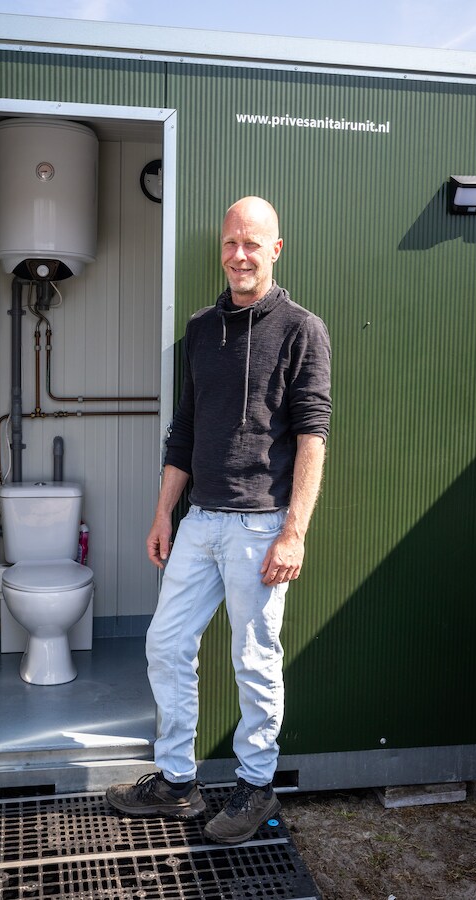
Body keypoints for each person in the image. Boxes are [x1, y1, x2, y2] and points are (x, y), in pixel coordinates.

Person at [105, 196, 332, 844]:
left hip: (260, 527)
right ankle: (178, 783)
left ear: (275, 250)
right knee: (166, 644)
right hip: (200, 521)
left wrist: (294, 532)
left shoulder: (302, 330)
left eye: (252, 243)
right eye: (231, 242)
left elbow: (312, 436)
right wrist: (163, 515)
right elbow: (184, 431)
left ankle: (256, 785)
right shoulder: (202, 329)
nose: (239, 254)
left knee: (253, 660)